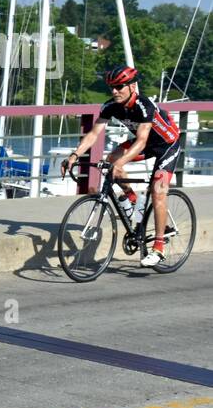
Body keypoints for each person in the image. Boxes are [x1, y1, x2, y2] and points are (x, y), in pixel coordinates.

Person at [61, 65, 182, 267]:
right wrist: (74, 155)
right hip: (145, 144)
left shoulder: (144, 105)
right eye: (112, 88)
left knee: (158, 190)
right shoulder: (110, 106)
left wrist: (121, 162)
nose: (115, 91)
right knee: (111, 161)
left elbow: (141, 141)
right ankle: (134, 201)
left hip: (166, 145)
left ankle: (159, 248)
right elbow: (93, 134)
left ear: (132, 86)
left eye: (119, 87)